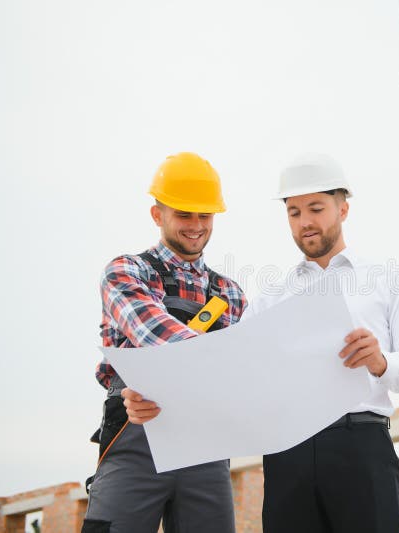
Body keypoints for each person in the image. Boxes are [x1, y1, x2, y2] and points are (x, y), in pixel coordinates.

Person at [251, 153, 399, 533]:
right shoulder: (271, 298)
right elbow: (244, 375)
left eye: (316, 208)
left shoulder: (386, 279)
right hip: (289, 452)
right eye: (294, 212)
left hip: (362, 447)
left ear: (343, 209)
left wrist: (380, 362)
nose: (306, 222)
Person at [82, 152, 247, 533]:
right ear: (158, 215)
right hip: (136, 432)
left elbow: (244, 374)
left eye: (204, 215)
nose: (195, 225)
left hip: (206, 443)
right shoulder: (127, 271)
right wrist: (220, 364)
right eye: (183, 214)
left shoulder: (230, 293)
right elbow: (155, 335)